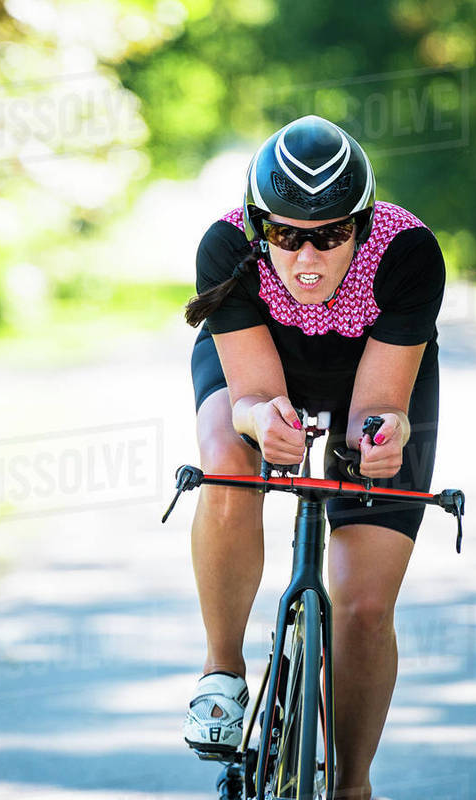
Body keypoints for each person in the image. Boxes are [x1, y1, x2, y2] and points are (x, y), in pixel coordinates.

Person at [181, 114, 445, 800]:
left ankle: (352, 785)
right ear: (255, 223)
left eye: (330, 236)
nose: (307, 258)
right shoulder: (224, 245)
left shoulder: (406, 252)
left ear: (361, 223)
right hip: (262, 367)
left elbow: (376, 410)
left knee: (361, 607)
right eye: (284, 234)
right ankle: (222, 673)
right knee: (227, 462)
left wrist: (385, 437)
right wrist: (259, 420)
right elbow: (254, 398)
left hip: (372, 370)